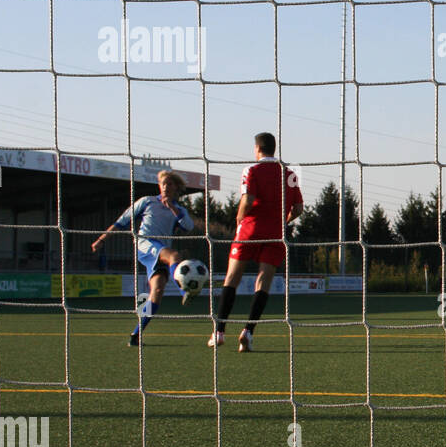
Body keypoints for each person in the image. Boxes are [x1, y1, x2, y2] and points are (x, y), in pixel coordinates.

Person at [208, 133, 304, 351]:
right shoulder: (290, 173)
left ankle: (219, 332)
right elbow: (298, 209)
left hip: (250, 230)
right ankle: (248, 333)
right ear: (274, 148)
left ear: (257, 148)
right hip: (275, 233)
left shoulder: (251, 170)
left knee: (232, 278)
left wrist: (239, 217)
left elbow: (248, 199)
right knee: (264, 281)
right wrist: (284, 222)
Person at [91, 170, 197, 346]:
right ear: (159, 186)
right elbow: (121, 221)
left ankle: (135, 335)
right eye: (163, 183)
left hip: (161, 251)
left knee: (156, 293)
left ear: (176, 187)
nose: (166, 187)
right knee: (175, 256)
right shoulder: (147, 201)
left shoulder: (179, 210)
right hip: (146, 244)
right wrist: (101, 239)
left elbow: (188, 227)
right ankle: (184, 290)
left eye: (170, 184)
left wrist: (172, 208)